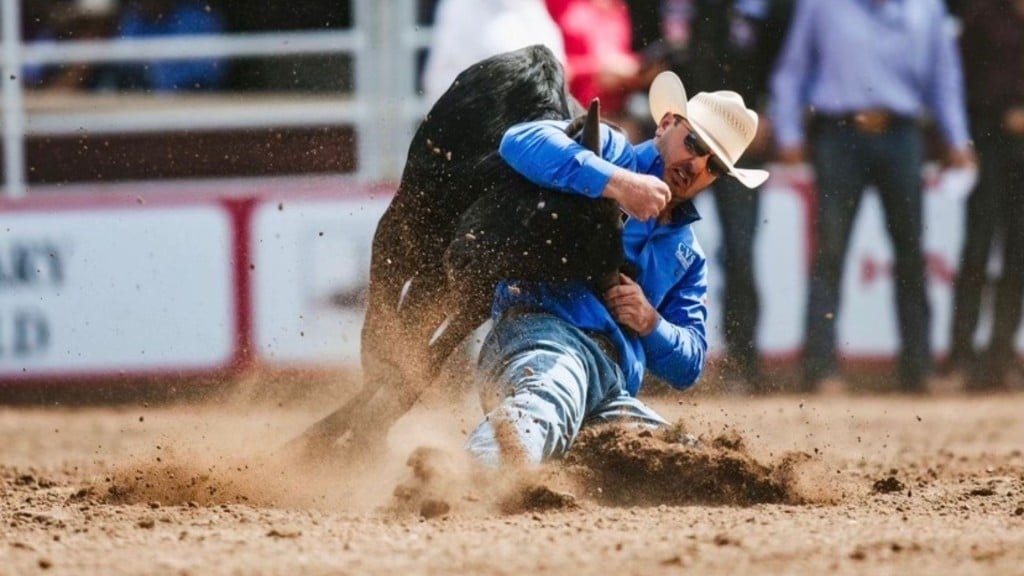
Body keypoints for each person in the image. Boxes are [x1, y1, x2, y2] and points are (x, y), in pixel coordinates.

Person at [465, 71, 769, 466]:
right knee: (546, 400)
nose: (696, 165)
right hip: (542, 336)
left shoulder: (689, 257)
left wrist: (650, 322)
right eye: (693, 143)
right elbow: (519, 141)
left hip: (610, 385)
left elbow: (690, 365)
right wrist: (619, 183)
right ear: (666, 124)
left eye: (715, 167)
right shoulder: (611, 150)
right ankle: (469, 484)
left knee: (695, 466)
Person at [770, 0, 975, 394]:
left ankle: (919, 370)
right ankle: (821, 369)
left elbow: (944, 78)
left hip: (903, 136)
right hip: (838, 134)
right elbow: (792, 72)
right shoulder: (821, 5)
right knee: (829, 252)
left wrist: (956, 136)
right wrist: (789, 132)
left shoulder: (927, 9)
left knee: (911, 252)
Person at [661, 0, 794, 393]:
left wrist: (769, 112)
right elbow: (653, 43)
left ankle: (744, 362)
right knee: (657, 240)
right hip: (680, 140)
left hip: (737, 145)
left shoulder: (767, 7)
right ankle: (650, 356)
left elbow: (783, 58)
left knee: (740, 251)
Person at [946, 0, 1024, 391]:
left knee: (1019, 257)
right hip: (989, 140)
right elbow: (956, 79)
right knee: (977, 248)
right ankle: (961, 357)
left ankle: (1001, 357)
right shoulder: (981, 14)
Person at [546, 0, 664, 141]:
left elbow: (617, 60)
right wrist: (597, 71)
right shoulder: (560, 5)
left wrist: (637, 73)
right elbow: (545, 66)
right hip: (572, 118)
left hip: (613, 116)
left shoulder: (618, 7)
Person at [422, 0, 567, 105]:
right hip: (481, 126)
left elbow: (557, 72)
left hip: (535, 125)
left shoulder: (532, 9)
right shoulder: (460, 7)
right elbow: (439, 81)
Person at [115, 0, 227, 92]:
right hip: (147, 103)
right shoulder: (133, 22)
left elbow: (209, 71)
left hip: (192, 101)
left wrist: (161, 78)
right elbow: (123, 65)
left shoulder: (197, 18)